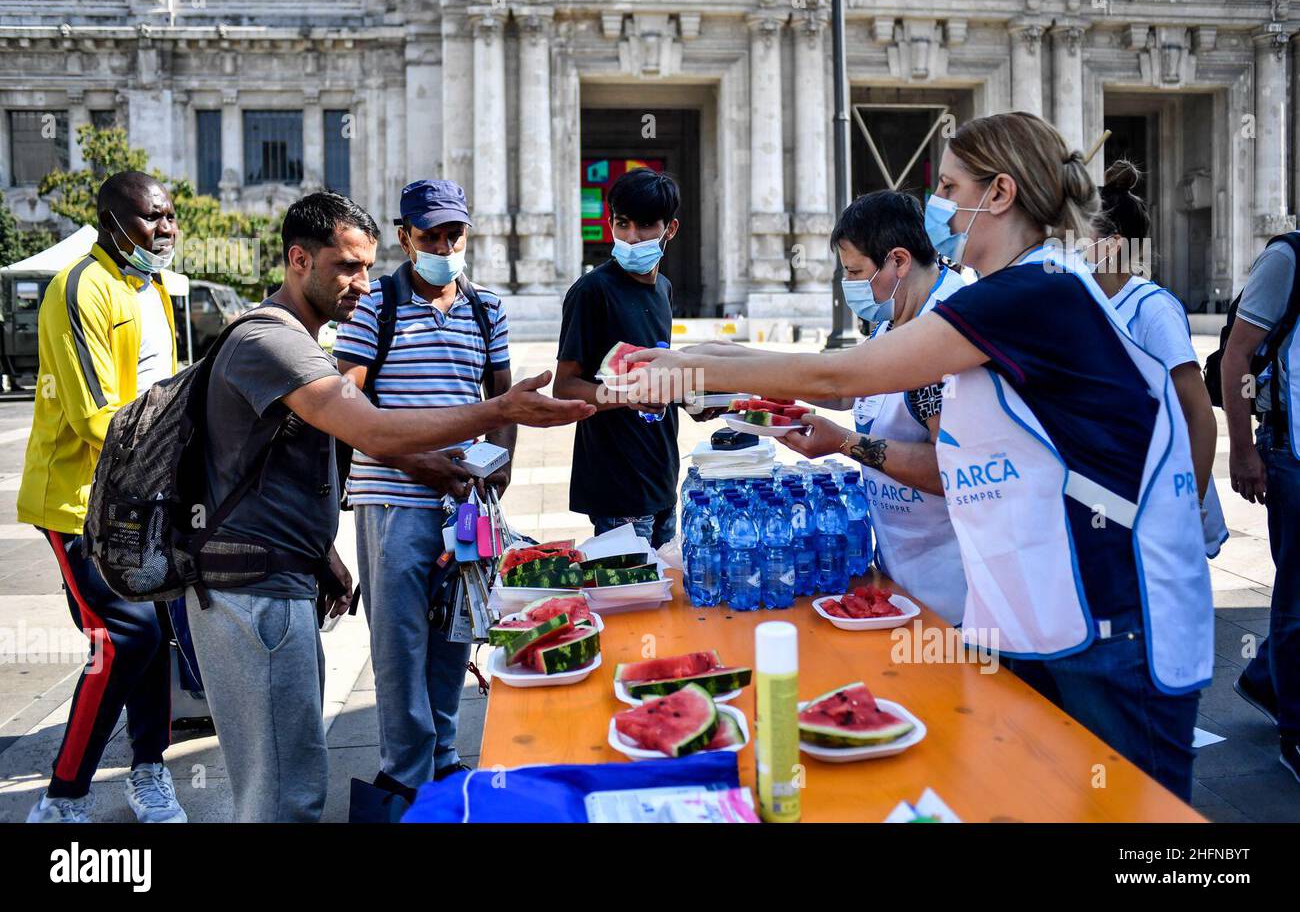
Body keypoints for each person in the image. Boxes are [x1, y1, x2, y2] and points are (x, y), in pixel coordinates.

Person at [625, 112, 1214, 801]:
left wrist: (688, 368)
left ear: (998, 194)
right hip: (1048, 609)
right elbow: (843, 369)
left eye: (948, 184)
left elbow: (841, 378)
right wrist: (688, 358)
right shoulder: (1015, 292)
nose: (934, 203)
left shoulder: (1033, 292)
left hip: (1118, 620)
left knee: (1137, 829)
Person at [184, 191, 591, 822]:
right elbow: (365, 429)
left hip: (295, 570)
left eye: (365, 269)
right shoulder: (277, 341)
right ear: (299, 260)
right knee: (280, 786)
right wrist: (499, 414)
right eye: (348, 267)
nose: (360, 284)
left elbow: (309, 459)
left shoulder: (322, 334)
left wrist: (324, 553)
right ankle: (406, 781)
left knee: (300, 770)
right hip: (257, 580)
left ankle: (440, 765)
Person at [333, 180, 513, 793]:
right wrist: (423, 462)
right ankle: (405, 775)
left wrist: (498, 465)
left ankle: (440, 758)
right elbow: (346, 404)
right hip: (393, 502)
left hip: (463, 508)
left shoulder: (488, 309)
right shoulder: (375, 306)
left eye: (452, 234)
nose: (442, 245)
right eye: (428, 235)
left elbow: (503, 401)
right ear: (404, 237)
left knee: (452, 636)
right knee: (400, 645)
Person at [18, 171, 185, 823]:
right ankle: (61, 799)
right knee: (123, 635)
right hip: (79, 502)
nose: (165, 229)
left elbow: (163, 389)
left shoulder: (154, 288)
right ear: (111, 222)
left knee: (154, 634)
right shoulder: (78, 287)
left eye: (171, 216)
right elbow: (96, 416)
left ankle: (149, 773)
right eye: (151, 218)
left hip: (145, 500)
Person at [780, 191, 969, 625]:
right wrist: (765, 387)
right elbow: (846, 388)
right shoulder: (893, 318)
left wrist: (845, 443)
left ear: (898, 261)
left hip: (955, 588)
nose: (848, 286)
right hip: (899, 577)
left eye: (854, 272)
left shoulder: (947, 327)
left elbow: (952, 468)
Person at [554, 168, 716, 548]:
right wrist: (626, 397)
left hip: (662, 478)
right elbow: (564, 388)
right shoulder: (591, 292)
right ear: (609, 222)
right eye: (622, 223)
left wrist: (691, 400)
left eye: (644, 226)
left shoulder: (664, 289)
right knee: (627, 601)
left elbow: (652, 373)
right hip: (617, 486)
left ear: (669, 230)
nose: (631, 237)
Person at [1086, 159, 1227, 558]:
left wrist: (1189, 509)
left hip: (1159, 496)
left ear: (1112, 243)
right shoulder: (1087, 305)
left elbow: (1199, 414)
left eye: (1080, 236)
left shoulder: (1152, 308)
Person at [1221, 224, 1300, 785]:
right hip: (1292, 453)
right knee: (1297, 597)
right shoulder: (1287, 260)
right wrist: (1244, 453)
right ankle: (1295, 731)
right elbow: (1237, 357)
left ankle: (1267, 676)